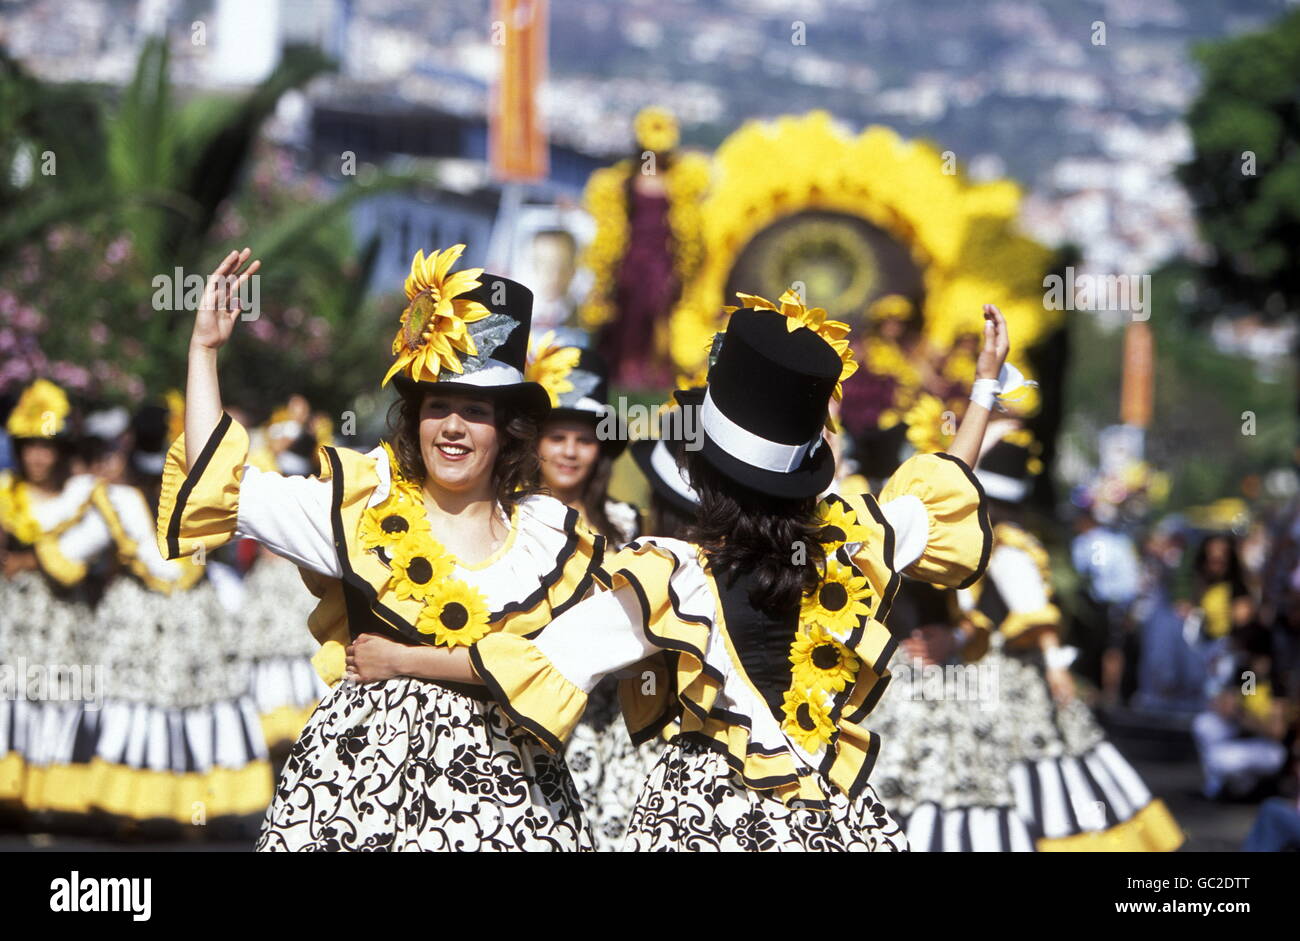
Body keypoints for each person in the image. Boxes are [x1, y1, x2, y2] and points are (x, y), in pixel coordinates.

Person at [356, 291, 1007, 850]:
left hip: (704, 822)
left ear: (701, 473)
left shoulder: (674, 579)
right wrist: (983, 388)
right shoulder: (846, 542)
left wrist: (398, 658)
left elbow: (529, 661)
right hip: (826, 818)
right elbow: (939, 497)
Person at [159, 245, 602, 851]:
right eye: (437, 407)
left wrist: (405, 661)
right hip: (357, 798)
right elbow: (222, 486)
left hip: (508, 812)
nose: (452, 428)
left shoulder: (553, 540)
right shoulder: (359, 508)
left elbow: (563, 667)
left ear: (507, 430)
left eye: (475, 411)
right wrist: (204, 351)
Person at [967, 428, 1184, 851]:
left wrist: (1055, 665)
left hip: (1010, 676)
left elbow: (1035, 614)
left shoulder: (1008, 551)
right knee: (1038, 766)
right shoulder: (1006, 546)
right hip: (1000, 672)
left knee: (1037, 766)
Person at [525, 340, 655, 850]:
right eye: (556, 436)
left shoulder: (628, 524)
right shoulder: (508, 520)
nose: (570, 451)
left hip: (614, 728)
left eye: (583, 438)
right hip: (534, 722)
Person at [0, 380, 117, 818]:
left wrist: (31, 561)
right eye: (29, 446)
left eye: (46, 447)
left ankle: (46, 800)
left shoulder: (83, 498)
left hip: (64, 620)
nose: (37, 456)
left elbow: (88, 557)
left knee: (56, 701)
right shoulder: (4, 493)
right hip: (12, 618)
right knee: (9, 700)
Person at [867, 579, 1036, 851]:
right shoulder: (856, 540)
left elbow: (979, 610)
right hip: (888, 679)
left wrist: (955, 637)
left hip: (944, 679)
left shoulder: (949, 542)